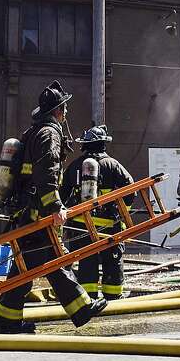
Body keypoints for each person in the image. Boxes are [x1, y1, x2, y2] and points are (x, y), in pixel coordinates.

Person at [0, 81, 106, 334]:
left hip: (29, 211)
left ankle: (80, 309)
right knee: (28, 269)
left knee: (53, 263)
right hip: (36, 214)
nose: (66, 113)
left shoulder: (33, 131)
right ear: (58, 110)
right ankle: (6, 321)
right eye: (64, 108)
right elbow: (47, 173)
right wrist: (55, 207)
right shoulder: (49, 134)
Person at [60, 125, 134, 300]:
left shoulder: (76, 165)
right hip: (110, 225)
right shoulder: (112, 165)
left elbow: (62, 194)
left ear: (85, 145)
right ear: (103, 144)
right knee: (112, 260)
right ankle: (113, 297)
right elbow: (132, 191)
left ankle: (89, 297)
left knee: (87, 262)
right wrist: (122, 213)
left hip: (81, 227)